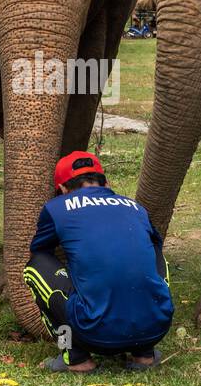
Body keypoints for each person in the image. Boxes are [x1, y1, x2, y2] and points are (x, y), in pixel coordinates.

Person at [24, 151, 173, 373]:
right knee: (153, 253)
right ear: (107, 183)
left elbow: (41, 250)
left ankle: (75, 358)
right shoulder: (136, 208)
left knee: (35, 266)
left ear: (63, 190)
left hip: (93, 333)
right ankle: (144, 355)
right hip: (157, 328)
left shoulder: (57, 207)